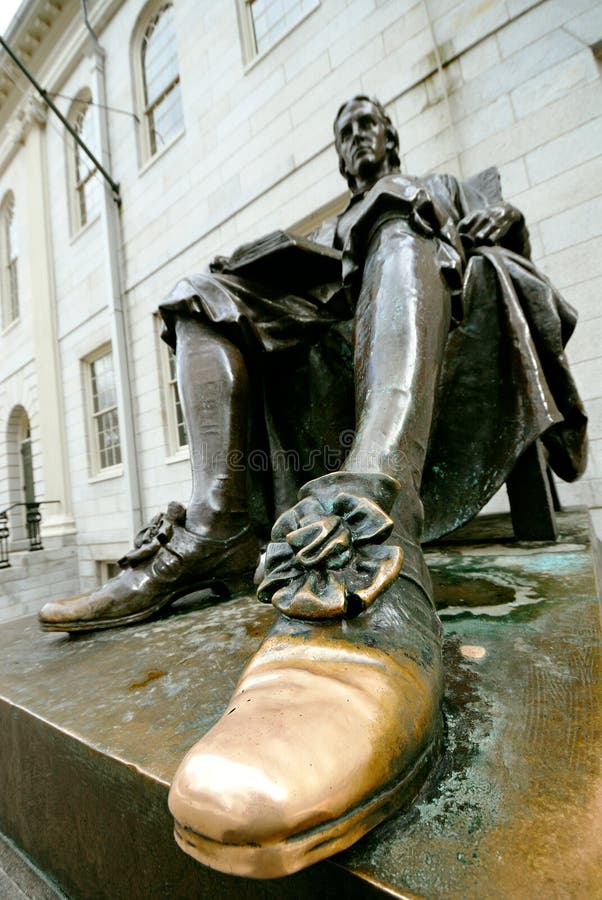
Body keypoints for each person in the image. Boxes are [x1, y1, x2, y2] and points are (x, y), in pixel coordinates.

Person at [39, 97, 587, 877]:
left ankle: (375, 497)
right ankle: (215, 526)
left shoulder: (441, 188)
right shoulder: (333, 230)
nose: (360, 138)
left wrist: (500, 224)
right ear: (338, 157)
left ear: (391, 137)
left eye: (370, 125)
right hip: (334, 311)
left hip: (436, 279)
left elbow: (507, 252)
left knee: (397, 218)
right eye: (346, 133)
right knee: (202, 292)